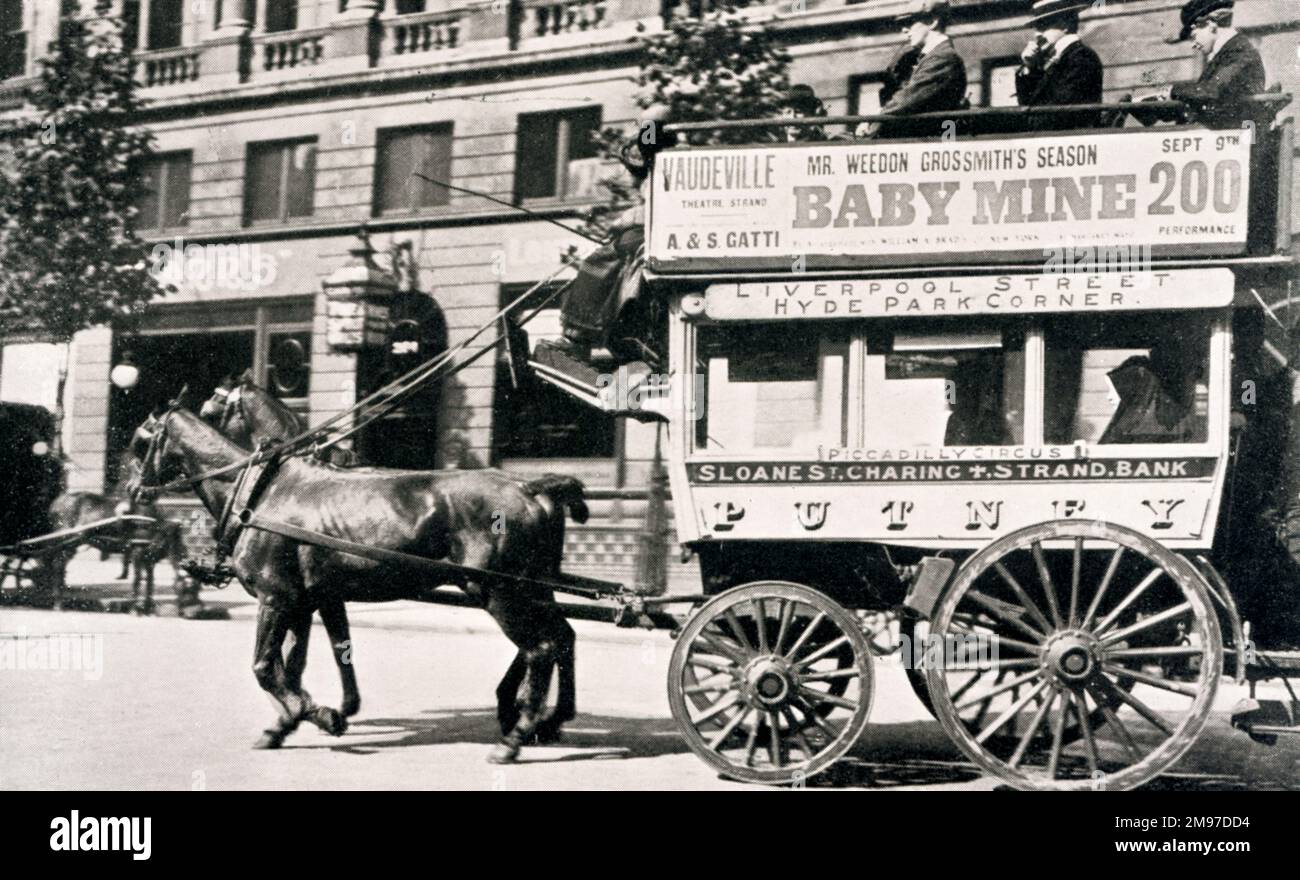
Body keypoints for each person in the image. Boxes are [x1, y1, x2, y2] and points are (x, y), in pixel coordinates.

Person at [534, 105, 676, 378]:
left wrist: (622, 221)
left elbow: (652, 203)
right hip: (651, 232)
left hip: (650, 234)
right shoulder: (662, 163)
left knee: (596, 263)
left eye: (646, 128)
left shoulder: (658, 156)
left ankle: (577, 337)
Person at [1135, 0, 1266, 130]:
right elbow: (1203, 100)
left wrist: (1172, 91)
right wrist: (1159, 106)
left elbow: (1212, 92)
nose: (1194, 44)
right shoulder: (1228, 52)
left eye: (1194, 36)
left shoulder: (1240, 52)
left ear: (1210, 25)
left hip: (1235, 137)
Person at [856, 0, 967, 139]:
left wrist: (872, 120)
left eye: (910, 22)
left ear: (932, 22)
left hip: (926, 140)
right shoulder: (922, 56)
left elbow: (907, 99)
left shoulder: (944, 57)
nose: (904, 29)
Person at [1015, 1, 1104, 131]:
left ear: (1064, 24)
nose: (1037, 34)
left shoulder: (1082, 57)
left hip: (1072, 138)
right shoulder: (1058, 57)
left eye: (1043, 26)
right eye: (1037, 28)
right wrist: (1030, 67)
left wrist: (1025, 125)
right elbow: (1028, 105)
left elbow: (1062, 112)